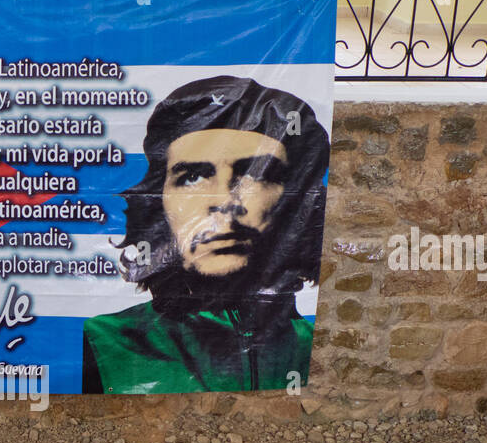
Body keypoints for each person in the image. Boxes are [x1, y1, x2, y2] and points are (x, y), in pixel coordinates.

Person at [82, 76, 329, 393]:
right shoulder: (106, 342)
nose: (224, 202)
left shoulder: (315, 349)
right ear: (158, 202)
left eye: (256, 174)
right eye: (193, 176)